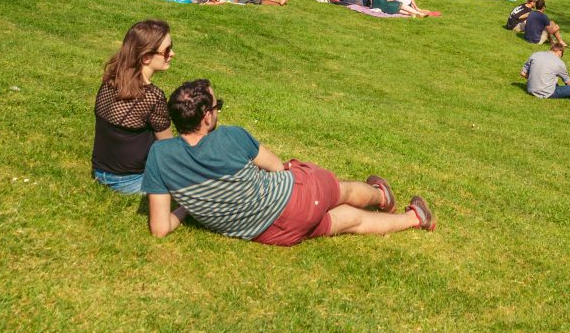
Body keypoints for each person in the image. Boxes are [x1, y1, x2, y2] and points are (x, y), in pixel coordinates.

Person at [141, 78, 435, 242]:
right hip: (292, 200)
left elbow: (159, 228)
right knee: (336, 188)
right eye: (217, 106)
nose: (219, 111)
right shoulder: (230, 137)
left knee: (348, 221)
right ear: (206, 116)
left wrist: (187, 209)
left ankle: (415, 219)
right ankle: (381, 196)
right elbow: (277, 166)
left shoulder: (159, 156)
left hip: (269, 233)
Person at [91, 20, 176, 194]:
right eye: (167, 50)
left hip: (100, 171)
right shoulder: (152, 97)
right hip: (131, 180)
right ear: (146, 57)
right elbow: (169, 147)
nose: (172, 54)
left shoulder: (110, 81)